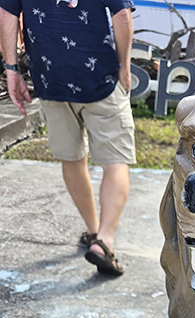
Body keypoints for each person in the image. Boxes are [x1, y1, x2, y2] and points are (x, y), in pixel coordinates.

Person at [0, 0, 135, 276]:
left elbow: (7, 12)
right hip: (101, 77)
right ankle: (104, 241)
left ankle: (93, 230)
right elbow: (122, 15)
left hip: (51, 79)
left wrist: (12, 70)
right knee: (115, 161)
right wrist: (124, 65)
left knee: (71, 159)